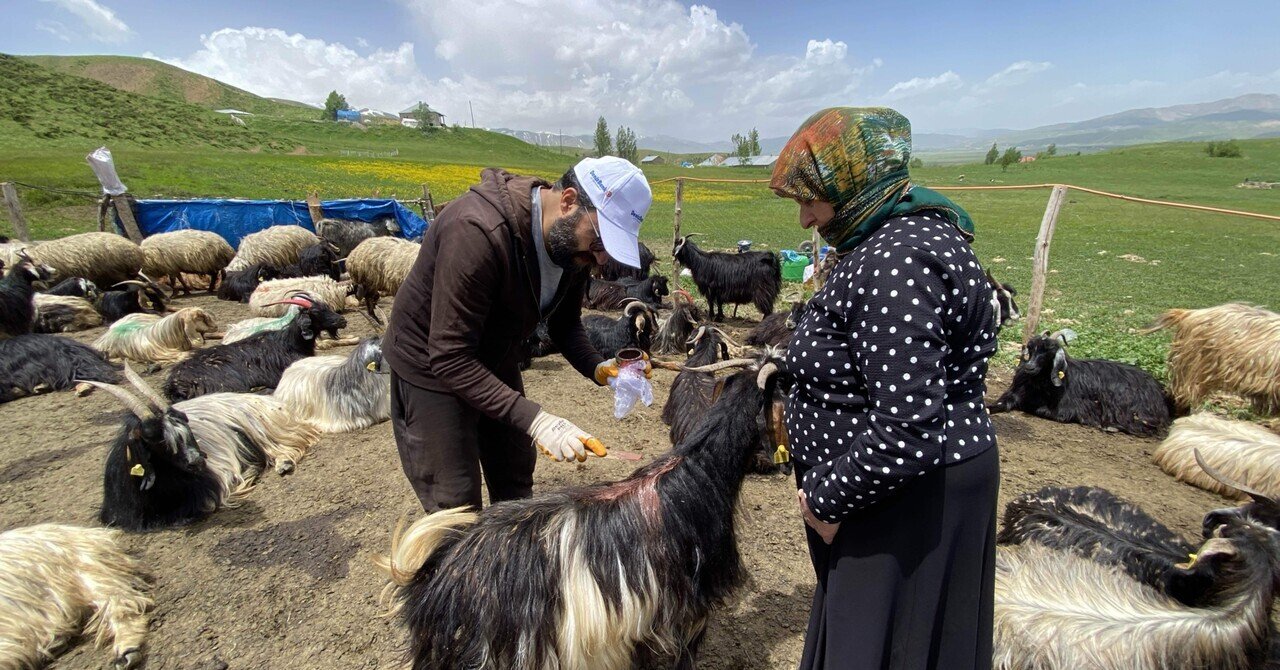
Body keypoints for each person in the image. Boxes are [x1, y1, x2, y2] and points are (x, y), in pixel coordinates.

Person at [769, 107, 1000, 670]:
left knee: (886, 650)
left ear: (852, 183)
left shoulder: (898, 259)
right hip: (888, 499)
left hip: (902, 509)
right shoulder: (897, 239)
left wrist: (825, 499)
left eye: (810, 199)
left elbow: (907, 426)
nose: (804, 220)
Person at [382, 157, 653, 512]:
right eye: (600, 240)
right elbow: (449, 355)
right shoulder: (477, 232)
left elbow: (565, 324)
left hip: (493, 353)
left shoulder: (571, 246)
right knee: (454, 500)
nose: (601, 259)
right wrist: (538, 420)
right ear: (568, 201)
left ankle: (506, 558)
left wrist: (599, 368)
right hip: (431, 368)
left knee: (513, 470)